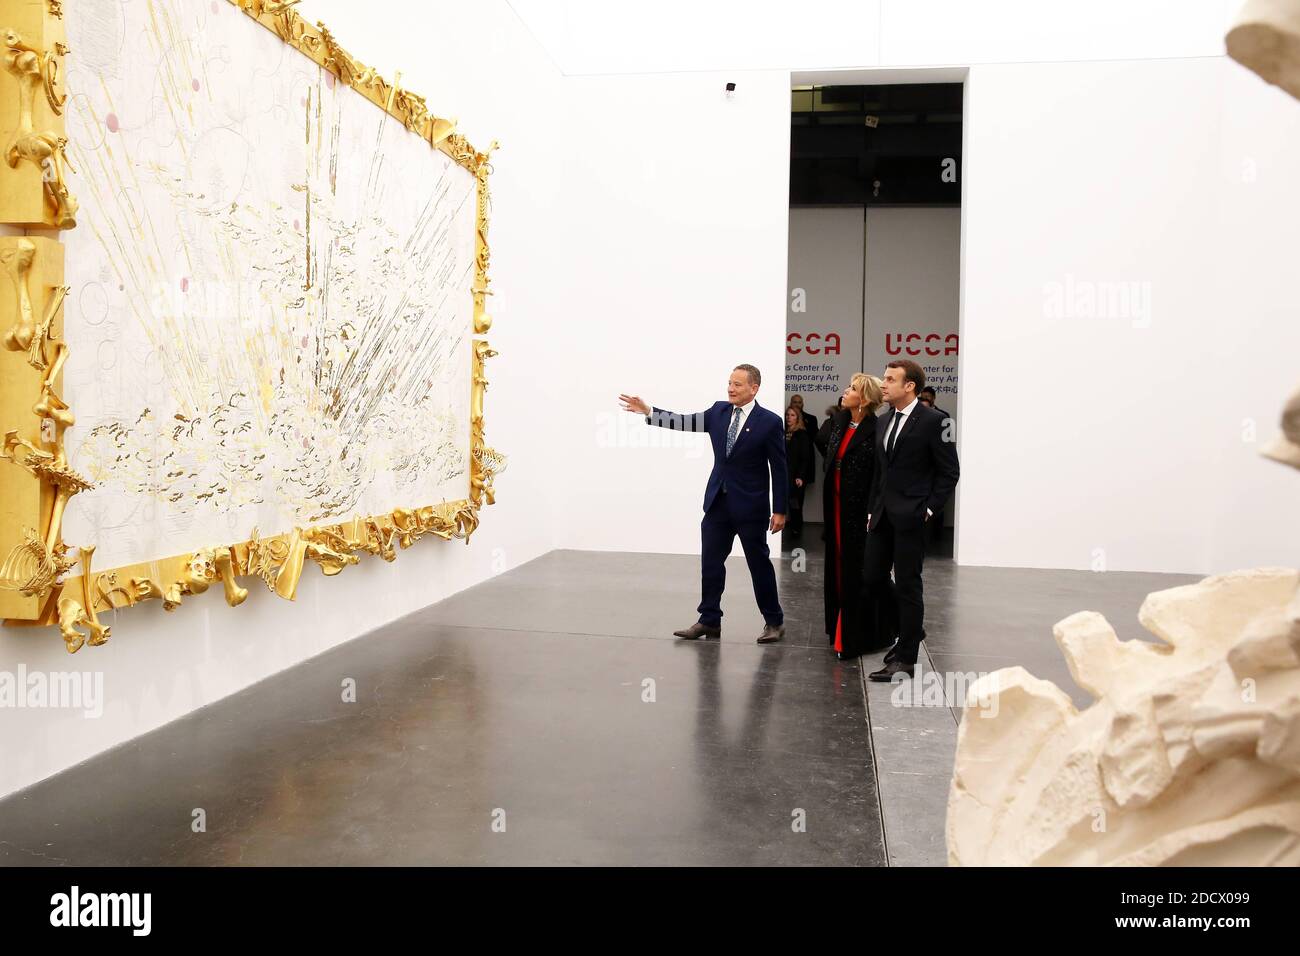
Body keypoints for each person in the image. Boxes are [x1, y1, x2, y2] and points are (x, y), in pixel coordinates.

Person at [618, 364, 788, 644]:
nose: (730, 388)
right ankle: (709, 620)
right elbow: (684, 421)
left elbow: (779, 468)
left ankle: (774, 621)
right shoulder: (718, 412)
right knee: (711, 564)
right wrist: (649, 411)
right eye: (729, 383)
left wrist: (780, 509)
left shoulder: (769, 421)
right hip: (718, 503)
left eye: (737, 384)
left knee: (758, 565)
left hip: (750, 507)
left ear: (754, 388)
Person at [864, 359, 960, 680]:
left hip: (913, 517)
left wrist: (928, 510)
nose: (883, 384)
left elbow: (949, 472)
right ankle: (912, 630)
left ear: (910, 386)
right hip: (881, 516)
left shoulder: (935, 421)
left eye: (890, 379)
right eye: (884, 378)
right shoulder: (883, 420)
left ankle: (905, 659)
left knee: (908, 585)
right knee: (872, 578)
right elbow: (880, 471)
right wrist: (871, 509)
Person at [823, 374, 897, 660]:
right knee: (838, 570)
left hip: (860, 515)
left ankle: (857, 637)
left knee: (858, 574)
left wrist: (872, 511)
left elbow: (881, 475)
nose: (845, 391)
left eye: (852, 388)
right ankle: (838, 629)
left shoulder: (877, 429)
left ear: (864, 399)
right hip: (836, 510)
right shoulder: (840, 422)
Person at [784, 406, 815, 538]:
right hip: (785, 473)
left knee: (795, 503)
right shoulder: (783, 432)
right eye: (787, 415)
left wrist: (800, 476)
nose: (789, 418)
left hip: (795, 475)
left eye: (792, 415)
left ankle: (796, 529)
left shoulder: (802, 434)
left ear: (798, 418)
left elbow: (805, 458)